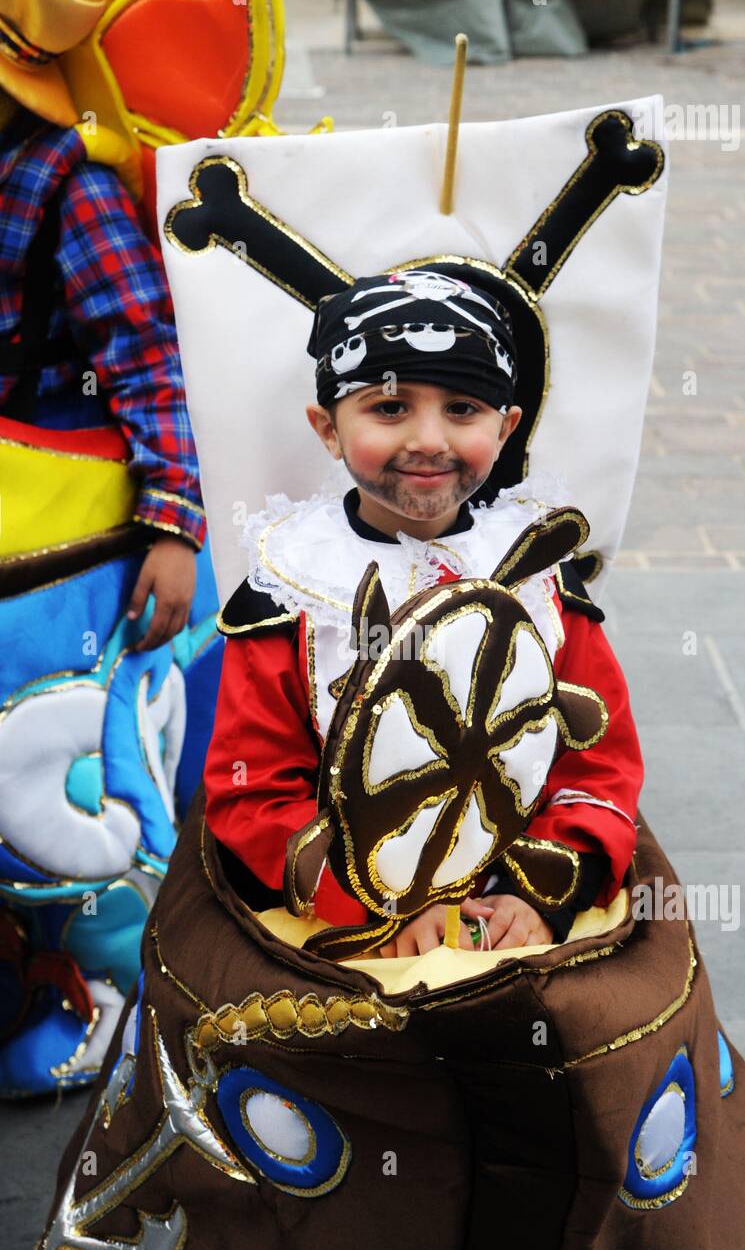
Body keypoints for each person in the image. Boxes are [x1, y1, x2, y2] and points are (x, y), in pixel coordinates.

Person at [0, 0, 219, 1098]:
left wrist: (172, 525)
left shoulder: (66, 174)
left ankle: (106, 984)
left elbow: (145, 358)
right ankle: (15, 954)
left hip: (58, 547)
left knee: (60, 794)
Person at [203, 270, 644, 955]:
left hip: (517, 898)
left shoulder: (541, 576)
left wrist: (538, 899)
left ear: (506, 427)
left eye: (464, 409)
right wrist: (371, 905)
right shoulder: (291, 593)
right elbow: (253, 794)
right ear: (327, 427)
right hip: (347, 912)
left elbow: (598, 764)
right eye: (389, 408)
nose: (428, 439)